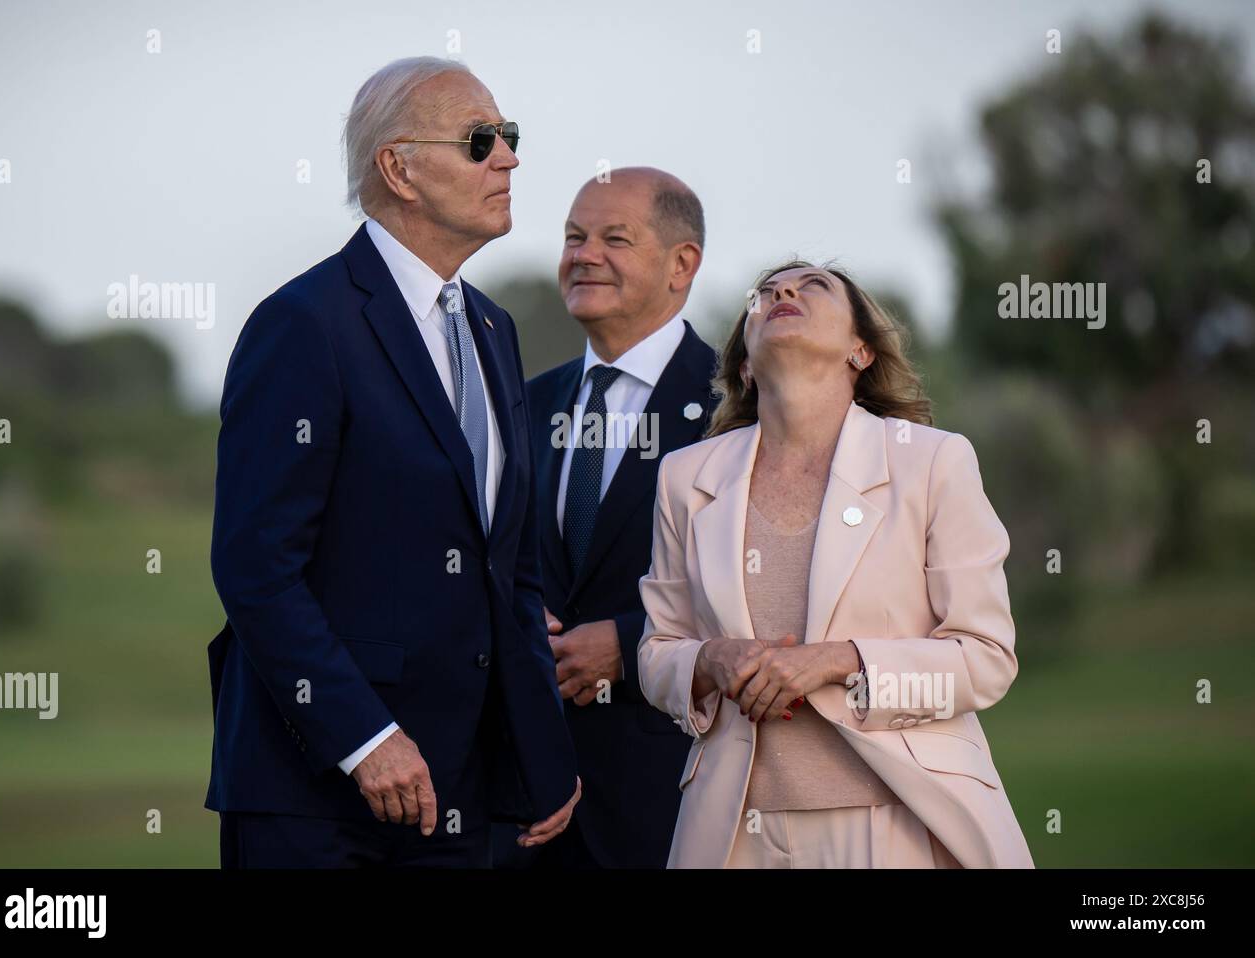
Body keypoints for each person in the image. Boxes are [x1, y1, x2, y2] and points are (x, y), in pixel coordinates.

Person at [206, 56, 579, 868]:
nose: (509, 158)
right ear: (399, 169)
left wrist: (541, 751)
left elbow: (506, 570)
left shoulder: (491, 328)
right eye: (481, 140)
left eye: (509, 137)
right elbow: (256, 566)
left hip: (456, 799)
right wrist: (364, 737)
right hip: (316, 797)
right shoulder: (305, 324)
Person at [636, 259, 1034, 868]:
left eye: (811, 286)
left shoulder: (934, 462)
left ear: (861, 350)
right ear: (745, 363)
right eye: (764, 294)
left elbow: (985, 659)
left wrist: (838, 660)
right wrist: (709, 660)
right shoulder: (685, 478)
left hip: (896, 822)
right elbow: (657, 654)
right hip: (734, 836)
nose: (782, 293)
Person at [507, 168, 718, 868]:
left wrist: (629, 645)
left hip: (674, 795)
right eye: (573, 237)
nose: (583, 254)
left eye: (614, 238)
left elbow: (778, 587)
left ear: (681, 264)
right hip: (529, 802)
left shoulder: (738, 410)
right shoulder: (525, 404)